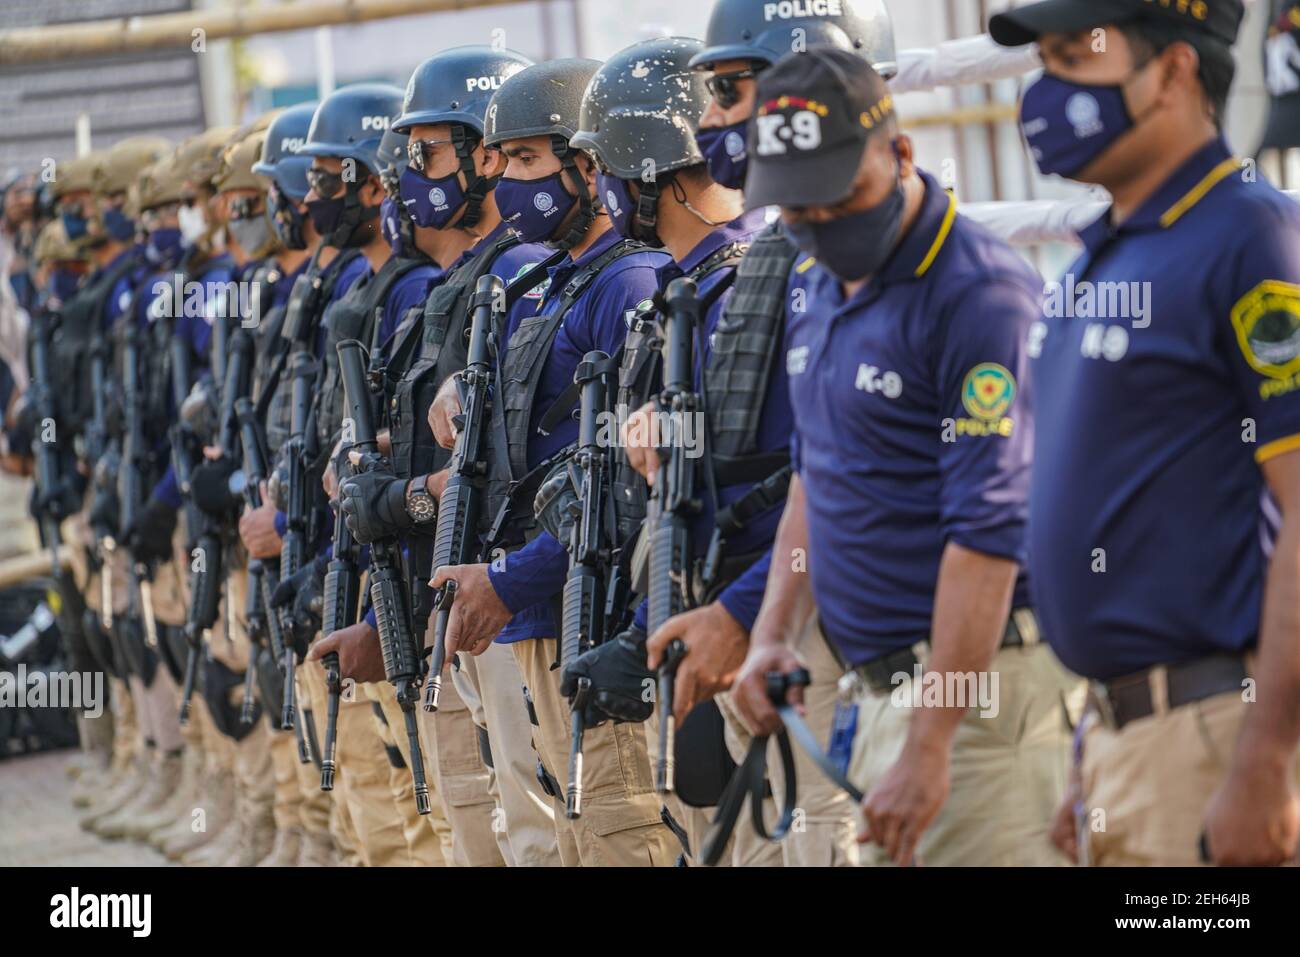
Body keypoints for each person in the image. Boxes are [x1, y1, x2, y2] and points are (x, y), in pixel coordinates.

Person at [730, 46, 1081, 867]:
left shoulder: (978, 297)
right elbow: (815, 476)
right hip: (874, 699)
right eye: (797, 211)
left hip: (978, 706)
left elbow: (988, 536)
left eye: (840, 198)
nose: (820, 225)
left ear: (900, 154)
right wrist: (774, 632)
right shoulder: (816, 284)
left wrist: (932, 741)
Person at [989, 0, 1300, 866]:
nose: (1045, 93)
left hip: (1216, 738)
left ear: (1173, 71)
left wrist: (1267, 760)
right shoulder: (1106, 251)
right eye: (1041, 64)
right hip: (1131, 740)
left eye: (1072, 59)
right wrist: (1100, 741)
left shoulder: (1248, 236)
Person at [644, 0, 896, 868]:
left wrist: (752, 613)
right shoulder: (783, 257)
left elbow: (860, 478)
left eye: (726, 88)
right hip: (764, 613)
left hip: (838, 624)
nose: (706, 119)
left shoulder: (884, 264)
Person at [410, 57, 680, 866]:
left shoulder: (627, 283)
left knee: (617, 830)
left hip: (585, 611)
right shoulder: (547, 282)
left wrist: (513, 579)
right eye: (502, 159)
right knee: (570, 835)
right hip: (539, 614)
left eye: (527, 160)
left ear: (586, 166)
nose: (508, 179)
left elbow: (621, 489)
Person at [327, 45, 564, 867]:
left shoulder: (524, 272)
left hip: (503, 599)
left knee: (528, 826)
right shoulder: (462, 282)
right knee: (477, 814)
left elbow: (495, 466)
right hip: (457, 597)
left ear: (479, 152)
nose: (413, 175)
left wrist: (404, 498)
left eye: (428, 152)